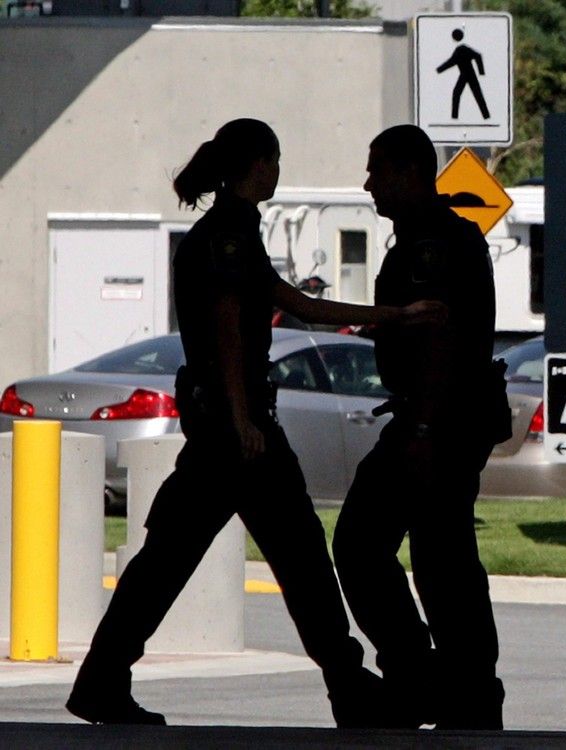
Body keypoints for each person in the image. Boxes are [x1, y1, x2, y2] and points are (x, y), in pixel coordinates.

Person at [66, 118, 443, 727]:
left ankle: (103, 679)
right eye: (276, 160)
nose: (278, 171)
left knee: (177, 559)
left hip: (227, 433)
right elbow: (227, 326)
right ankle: (347, 688)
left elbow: (300, 305)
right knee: (293, 561)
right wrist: (243, 420)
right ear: (258, 165)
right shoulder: (228, 237)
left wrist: (395, 315)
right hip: (239, 437)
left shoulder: (229, 232)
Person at [332, 124, 507, 730]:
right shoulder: (422, 238)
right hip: (430, 418)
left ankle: (444, 681)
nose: (368, 183)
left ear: (409, 173)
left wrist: (424, 432)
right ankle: (447, 682)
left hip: (439, 421)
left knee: (407, 552)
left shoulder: (433, 245)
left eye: (377, 170)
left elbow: (439, 340)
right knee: (433, 553)